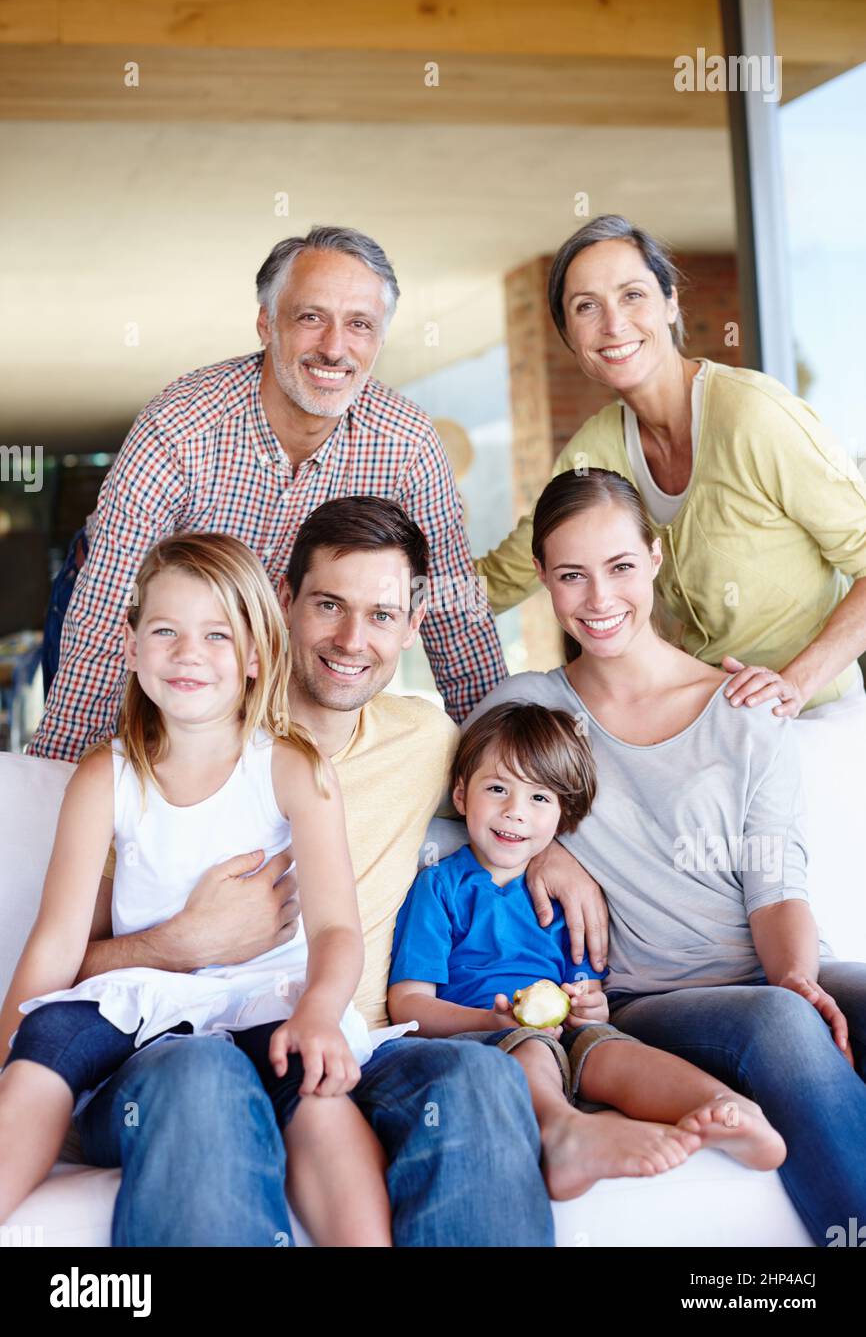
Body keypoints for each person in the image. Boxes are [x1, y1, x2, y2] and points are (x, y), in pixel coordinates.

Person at [36, 497, 559, 1247]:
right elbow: (70, 965)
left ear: (414, 627)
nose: (352, 640)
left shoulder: (428, 740)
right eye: (328, 605)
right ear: (283, 604)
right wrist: (178, 942)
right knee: (203, 1082)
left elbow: (521, 787)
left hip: (366, 1043)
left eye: (382, 615)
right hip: (189, 1041)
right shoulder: (186, 745)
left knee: (480, 1080)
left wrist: (560, 850)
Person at [465, 466, 866, 1246]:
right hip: (653, 998)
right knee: (783, 1026)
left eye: (618, 567)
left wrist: (796, 977)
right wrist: (545, 856)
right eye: (571, 576)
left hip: (775, 967)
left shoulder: (745, 709)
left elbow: (776, 878)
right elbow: (461, 817)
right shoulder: (528, 710)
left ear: (654, 555)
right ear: (545, 581)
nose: (599, 598)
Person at [1, 531, 414, 1246]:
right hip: (140, 1003)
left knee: (320, 1096)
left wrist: (319, 1010)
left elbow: (337, 929)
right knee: (44, 1042)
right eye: (166, 630)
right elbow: (57, 942)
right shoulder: (107, 776)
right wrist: (8, 1041)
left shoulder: (291, 767)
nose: (188, 653)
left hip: (263, 995)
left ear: (256, 656)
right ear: (131, 646)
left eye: (216, 635)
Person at [30, 224, 507, 763]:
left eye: (359, 325)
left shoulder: (409, 444)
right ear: (265, 323)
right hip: (150, 613)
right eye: (311, 317)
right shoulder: (181, 423)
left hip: (280, 633)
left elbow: (449, 605)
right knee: (124, 771)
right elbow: (111, 606)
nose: (334, 347)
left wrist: (507, 765)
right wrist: (59, 777)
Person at [388, 700, 787, 1201]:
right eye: (497, 789)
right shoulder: (440, 887)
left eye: (539, 797)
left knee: (610, 1048)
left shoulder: (565, 895)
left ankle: (724, 1107)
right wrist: (490, 1023)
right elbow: (407, 1006)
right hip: (484, 1036)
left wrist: (589, 1004)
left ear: (562, 813)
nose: (515, 810)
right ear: (462, 796)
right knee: (532, 1047)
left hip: (566, 1033)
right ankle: (562, 1132)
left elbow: (587, 991)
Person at [475, 214, 866, 720]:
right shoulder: (594, 450)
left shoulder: (754, 417)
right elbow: (504, 577)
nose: (613, 324)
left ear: (671, 301)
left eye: (632, 295)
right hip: (709, 722)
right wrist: (391, 598)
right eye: (586, 307)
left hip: (814, 718)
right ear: (569, 335)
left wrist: (795, 683)